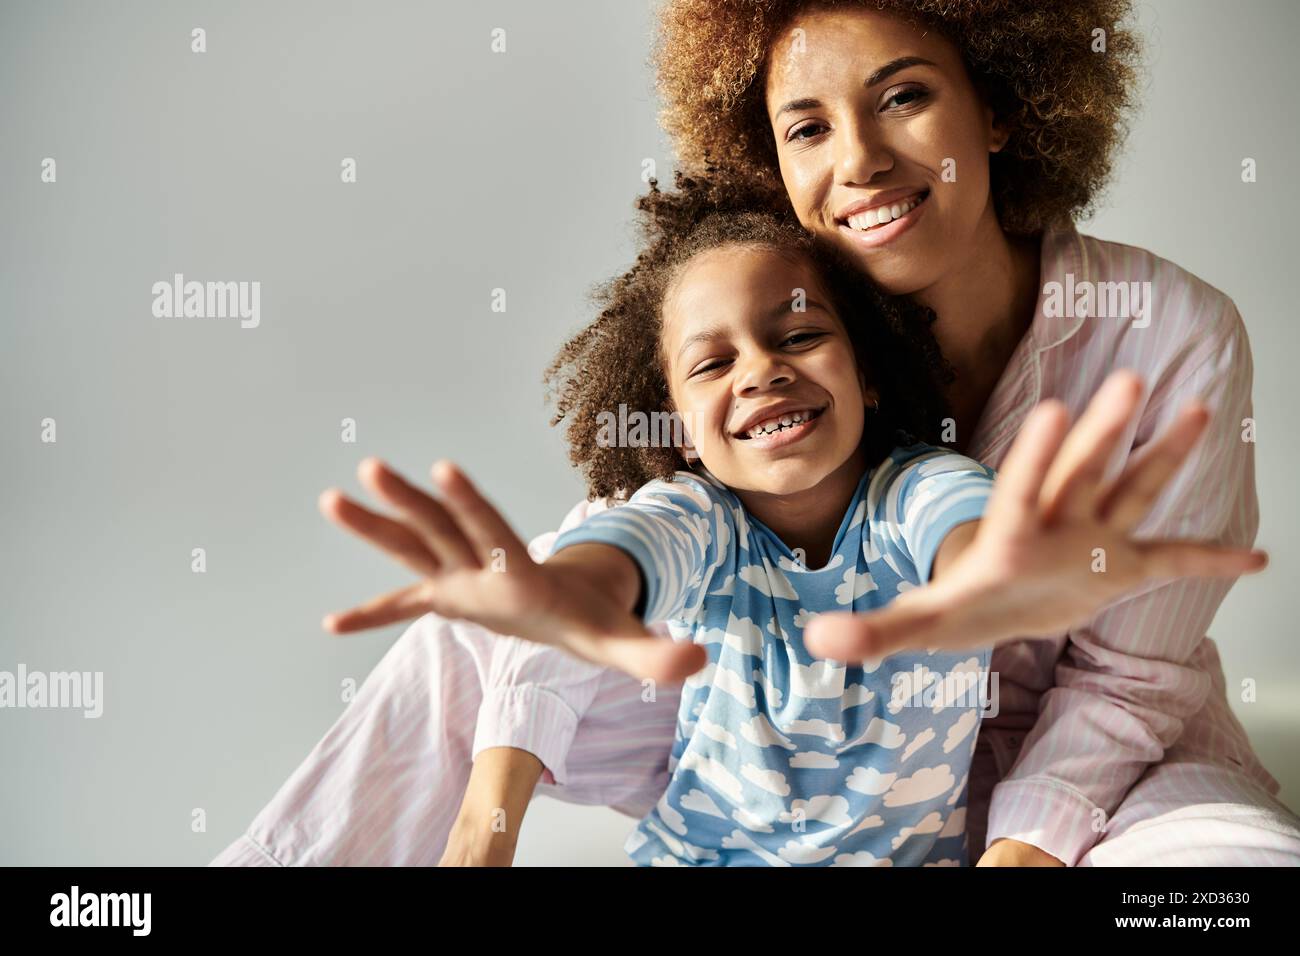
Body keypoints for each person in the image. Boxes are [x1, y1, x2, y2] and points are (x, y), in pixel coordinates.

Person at [213, 0, 1300, 866]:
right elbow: (638, 536)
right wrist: (493, 791)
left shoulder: (1169, 332)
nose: (861, 161)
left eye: (905, 97)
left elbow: (1128, 682)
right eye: (808, 128)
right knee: (479, 626)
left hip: (1083, 760)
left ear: (1002, 104)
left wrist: (1017, 852)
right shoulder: (769, 307)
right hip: (792, 731)